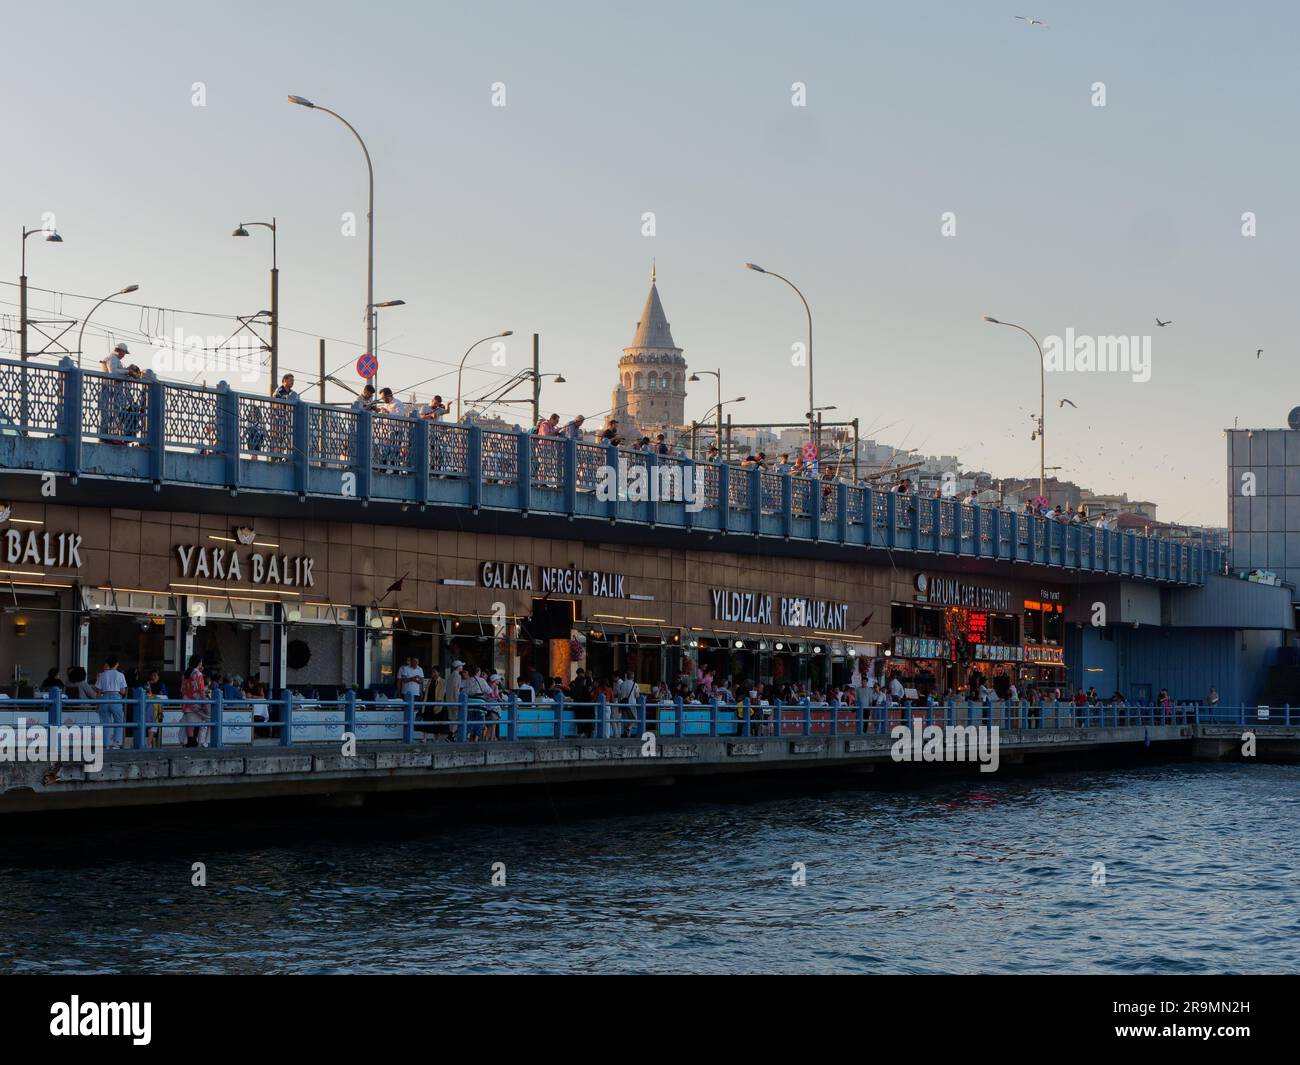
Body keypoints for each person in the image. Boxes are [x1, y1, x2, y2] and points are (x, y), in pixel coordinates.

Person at [94, 655, 128, 750]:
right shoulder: (120, 675)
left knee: (105, 722)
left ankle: (106, 744)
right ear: (116, 664)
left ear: (107, 664)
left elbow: (97, 689)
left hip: (104, 698)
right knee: (118, 721)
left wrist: (98, 704)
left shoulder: (102, 675)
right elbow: (122, 691)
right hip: (116, 698)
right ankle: (116, 743)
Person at [180, 654, 210, 748]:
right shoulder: (198, 674)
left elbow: (182, 689)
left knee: (190, 726)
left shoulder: (186, 674)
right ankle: (206, 742)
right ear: (199, 662)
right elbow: (201, 691)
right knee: (213, 719)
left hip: (187, 703)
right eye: (201, 661)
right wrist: (205, 705)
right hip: (197, 703)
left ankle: (190, 745)